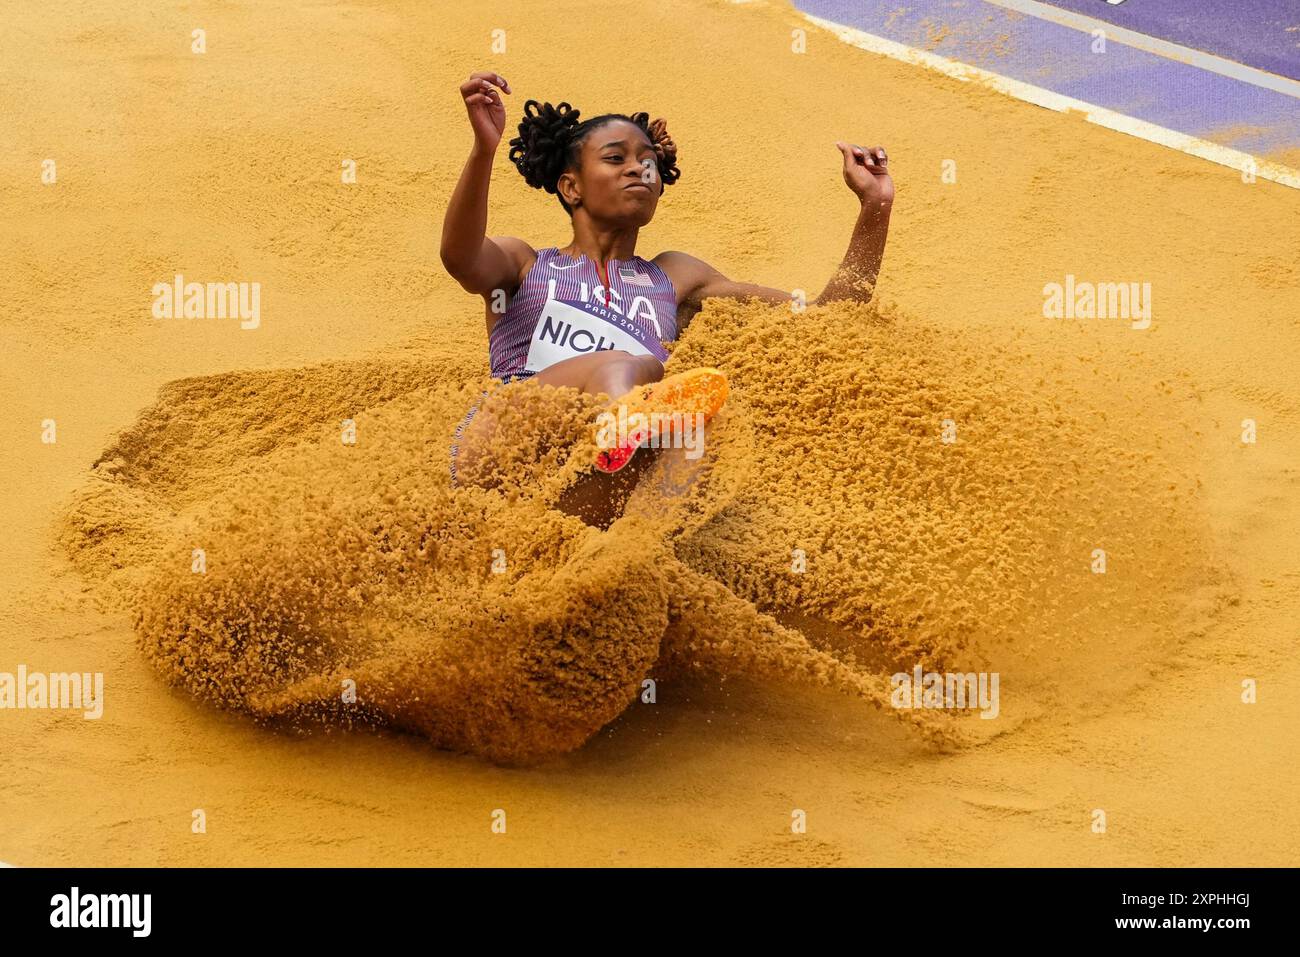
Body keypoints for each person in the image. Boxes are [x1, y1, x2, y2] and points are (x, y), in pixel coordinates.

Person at [439, 70, 894, 499]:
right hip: (500, 447)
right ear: (571, 187)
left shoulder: (674, 278)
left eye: (648, 163)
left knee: (693, 432)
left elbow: (826, 317)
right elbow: (459, 255)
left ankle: (639, 543)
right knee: (636, 369)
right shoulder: (524, 263)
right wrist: (483, 151)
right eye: (615, 159)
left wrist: (875, 206)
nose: (638, 170)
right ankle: (628, 423)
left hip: (578, 478)